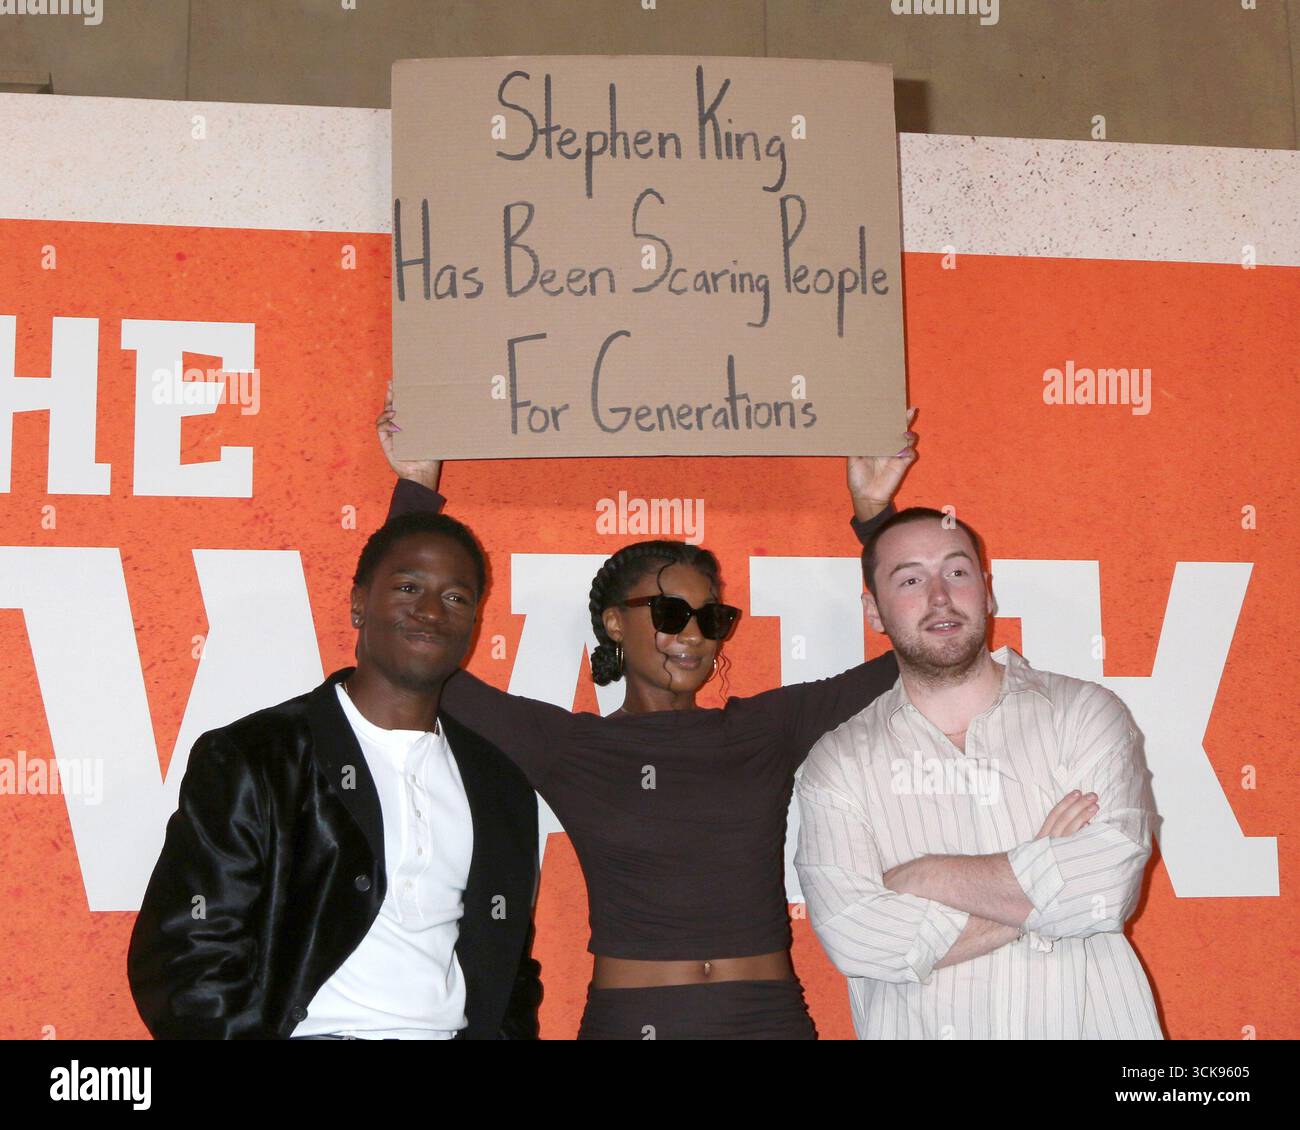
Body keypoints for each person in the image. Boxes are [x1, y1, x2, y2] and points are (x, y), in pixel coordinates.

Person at [376, 387, 918, 1039]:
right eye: (669, 613)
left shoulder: (764, 731)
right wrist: (414, 486)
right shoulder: (568, 748)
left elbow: (917, 654)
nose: (692, 635)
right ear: (613, 624)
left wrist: (875, 512)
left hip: (767, 1020)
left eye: (711, 618)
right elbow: (403, 656)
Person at [127, 505, 543, 1039]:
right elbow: (185, 947)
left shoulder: (499, 784)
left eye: (457, 597)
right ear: (358, 603)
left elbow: (509, 961)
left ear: (475, 623)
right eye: (409, 588)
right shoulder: (258, 756)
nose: (432, 612)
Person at [794, 507, 1163, 1039]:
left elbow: (1104, 888)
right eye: (911, 579)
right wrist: (1042, 879)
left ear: (987, 592)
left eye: (957, 571)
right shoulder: (839, 762)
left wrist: (927, 876)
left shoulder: (1084, 713)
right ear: (873, 611)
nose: (939, 596)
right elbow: (857, 938)